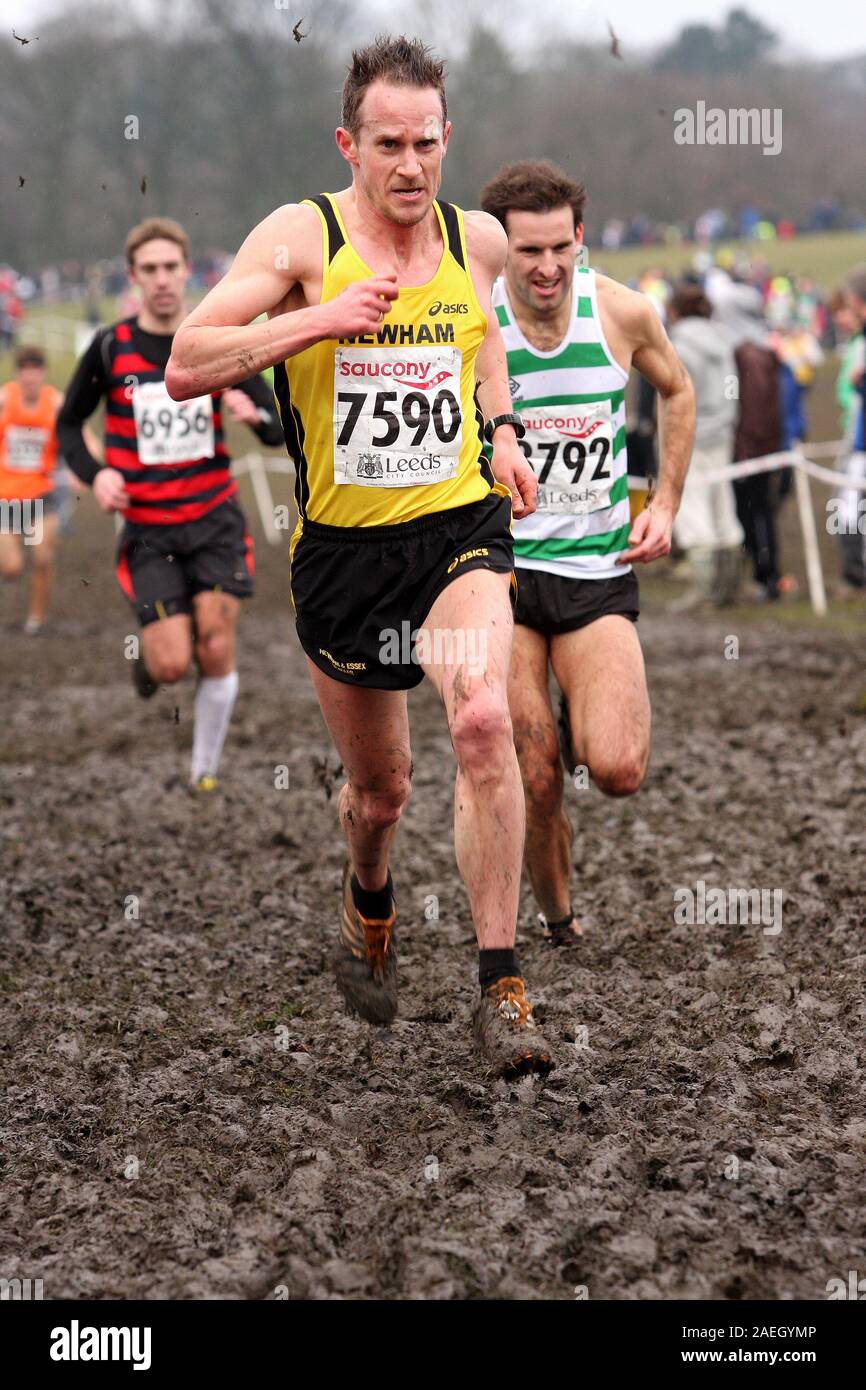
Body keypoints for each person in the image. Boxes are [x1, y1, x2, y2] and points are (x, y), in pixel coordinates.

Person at [165, 36, 555, 1077]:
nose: (408, 166)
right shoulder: (302, 236)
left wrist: (505, 433)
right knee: (379, 792)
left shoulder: (474, 239)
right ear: (348, 141)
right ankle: (368, 897)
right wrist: (315, 324)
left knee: (480, 719)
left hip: (456, 531)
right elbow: (183, 363)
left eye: (426, 143)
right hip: (342, 553)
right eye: (386, 143)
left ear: (445, 139)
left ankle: (500, 988)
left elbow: (483, 341)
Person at [477, 160, 694, 945]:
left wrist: (663, 500)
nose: (545, 267)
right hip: (500, 578)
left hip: (596, 573)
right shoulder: (475, 321)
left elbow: (677, 388)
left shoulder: (622, 313)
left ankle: (570, 707)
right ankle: (559, 922)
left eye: (559, 248)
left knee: (617, 768)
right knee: (535, 777)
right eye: (526, 251)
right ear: (499, 250)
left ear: (580, 237)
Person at [57, 218, 283, 792]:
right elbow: (67, 424)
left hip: (215, 520)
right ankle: (153, 659)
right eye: (149, 270)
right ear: (134, 278)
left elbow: (279, 431)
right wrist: (97, 471)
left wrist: (253, 415)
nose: (161, 280)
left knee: (216, 640)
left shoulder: (216, 339)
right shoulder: (111, 347)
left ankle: (204, 772)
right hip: (149, 531)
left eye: (170, 268)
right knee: (172, 664)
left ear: (188, 272)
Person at [666, 281, 743, 608]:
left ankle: (702, 590)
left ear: (675, 311)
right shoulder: (724, 341)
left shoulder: (678, 345)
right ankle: (728, 586)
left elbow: (675, 395)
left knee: (695, 510)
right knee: (723, 505)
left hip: (693, 435)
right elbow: (734, 389)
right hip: (723, 432)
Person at [711, 277, 784, 600]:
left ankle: (766, 577)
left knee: (754, 512)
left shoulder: (747, 353)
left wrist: (744, 448)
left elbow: (753, 407)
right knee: (758, 511)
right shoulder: (762, 348)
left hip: (751, 450)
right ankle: (764, 574)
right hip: (764, 445)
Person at [0, 346, 63, 633]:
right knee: (12, 567)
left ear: (43, 373)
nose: (29, 377)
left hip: (40, 497)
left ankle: (36, 619)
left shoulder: (55, 404)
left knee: (42, 555)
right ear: (17, 374)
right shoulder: (4, 401)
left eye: (35, 370)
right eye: (24, 371)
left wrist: (90, 468)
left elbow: (80, 436)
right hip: (6, 501)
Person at [828, 288, 866, 593]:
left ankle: (856, 572)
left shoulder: (861, 344)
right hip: (854, 432)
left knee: (849, 505)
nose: (839, 319)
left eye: (845, 312)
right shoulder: (854, 343)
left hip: (859, 438)